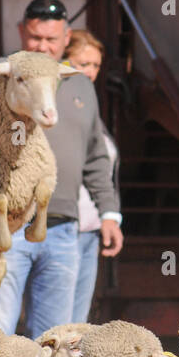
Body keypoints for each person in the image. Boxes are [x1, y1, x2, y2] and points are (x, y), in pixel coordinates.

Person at [0, 0, 123, 338]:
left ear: (65, 38)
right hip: (3, 228)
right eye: (35, 38)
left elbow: (94, 156)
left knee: (54, 340)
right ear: (21, 33)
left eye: (51, 40)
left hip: (63, 230)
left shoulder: (80, 85)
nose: (43, 47)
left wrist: (109, 213)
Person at [65, 29, 120, 323]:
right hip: (62, 228)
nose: (89, 72)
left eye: (95, 65)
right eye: (81, 64)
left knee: (77, 320)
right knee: (57, 320)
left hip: (90, 228)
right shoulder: (59, 109)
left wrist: (109, 216)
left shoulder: (89, 109)